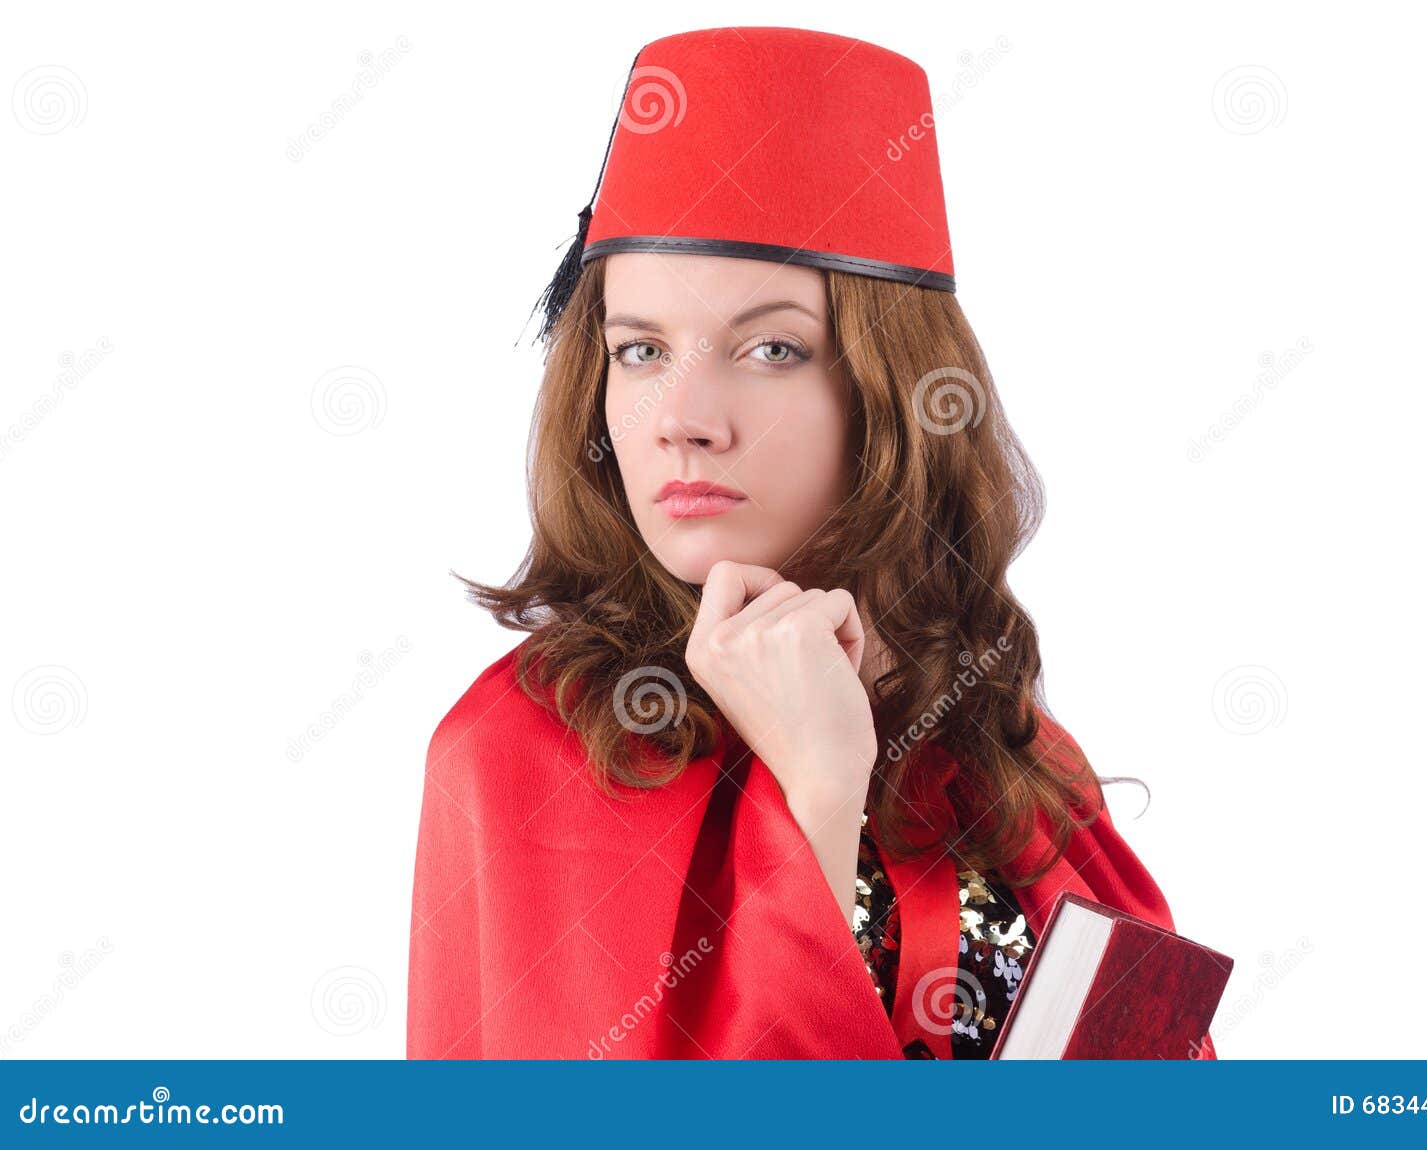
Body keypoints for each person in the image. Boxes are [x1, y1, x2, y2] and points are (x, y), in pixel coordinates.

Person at [406, 24, 1218, 1061]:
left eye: (772, 347)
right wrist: (822, 797)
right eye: (640, 349)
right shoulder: (531, 751)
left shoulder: (1014, 751)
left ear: (888, 396)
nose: (682, 416)